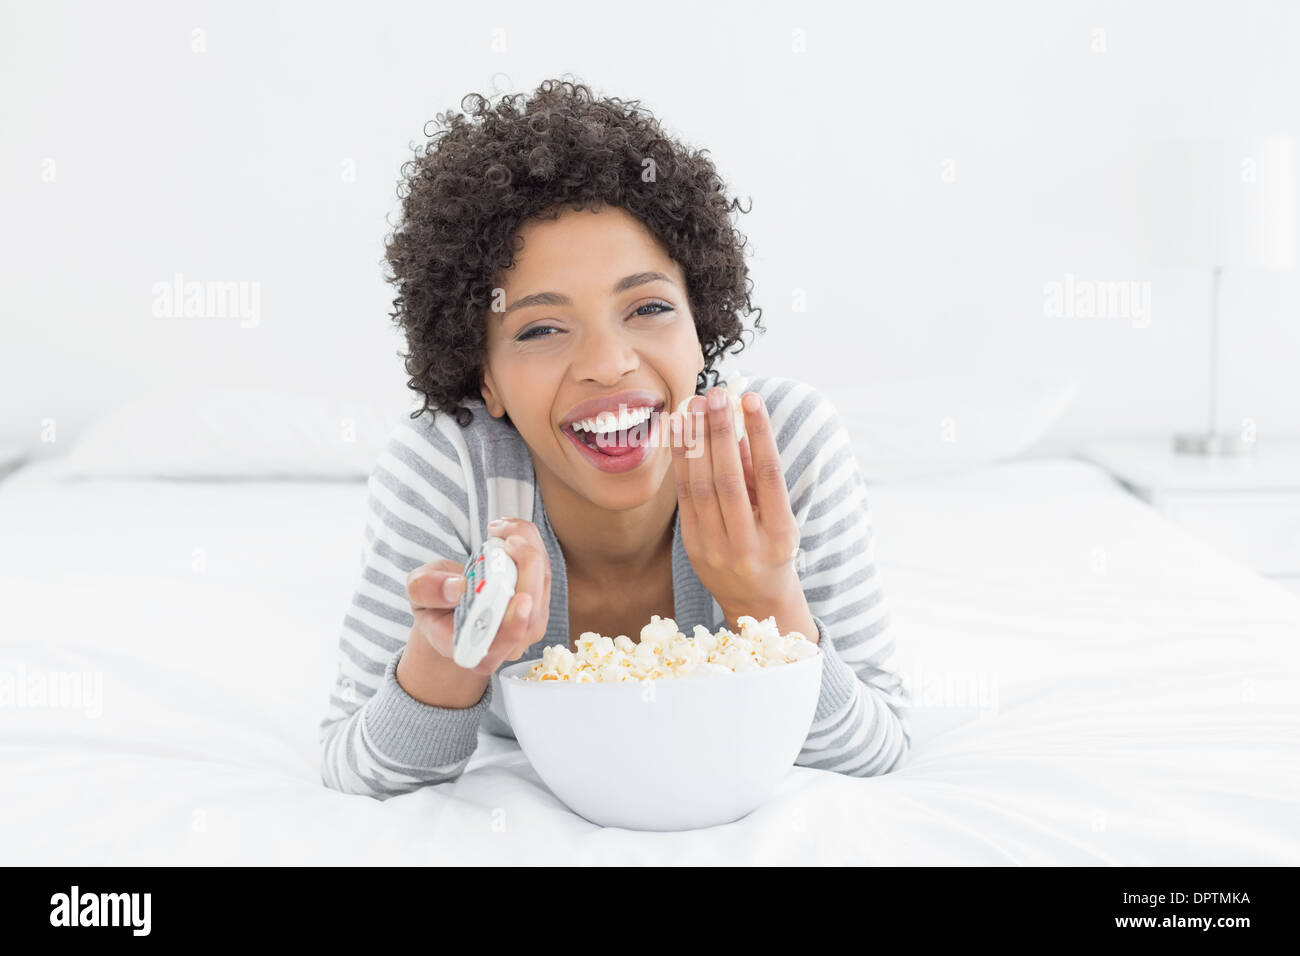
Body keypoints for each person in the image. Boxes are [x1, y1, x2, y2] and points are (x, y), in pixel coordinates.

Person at [320, 78, 911, 799]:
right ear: (487, 380)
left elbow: (875, 751)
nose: (608, 363)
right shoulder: (451, 469)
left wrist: (769, 608)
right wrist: (451, 659)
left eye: (650, 307)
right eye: (540, 328)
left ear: (703, 328)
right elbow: (355, 772)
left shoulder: (780, 448)